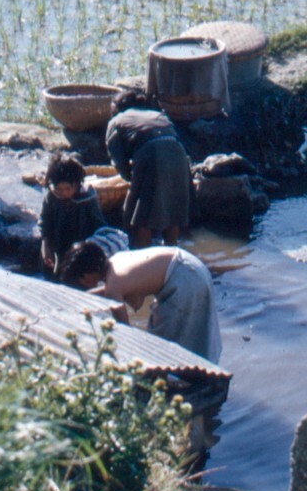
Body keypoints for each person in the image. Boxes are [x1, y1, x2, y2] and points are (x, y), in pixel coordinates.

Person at [58, 240, 221, 362]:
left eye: (80, 281)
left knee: (167, 347)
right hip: (191, 267)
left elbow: (125, 330)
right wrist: (78, 299)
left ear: (86, 276)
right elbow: (119, 289)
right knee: (191, 335)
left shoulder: (114, 285)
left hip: (185, 278)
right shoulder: (117, 260)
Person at [104, 89, 192, 249]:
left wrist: (132, 179)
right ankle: (171, 252)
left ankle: (142, 255)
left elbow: (118, 161)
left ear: (117, 108)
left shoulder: (116, 121)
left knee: (139, 213)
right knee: (173, 208)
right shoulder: (157, 114)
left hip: (151, 153)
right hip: (179, 154)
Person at [39, 153, 107, 274]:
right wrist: (45, 244)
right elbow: (44, 222)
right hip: (59, 246)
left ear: (76, 185)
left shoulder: (87, 199)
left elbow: (100, 227)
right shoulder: (51, 197)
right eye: (58, 189)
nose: (63, 193)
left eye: (67, 189)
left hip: (82, 250)